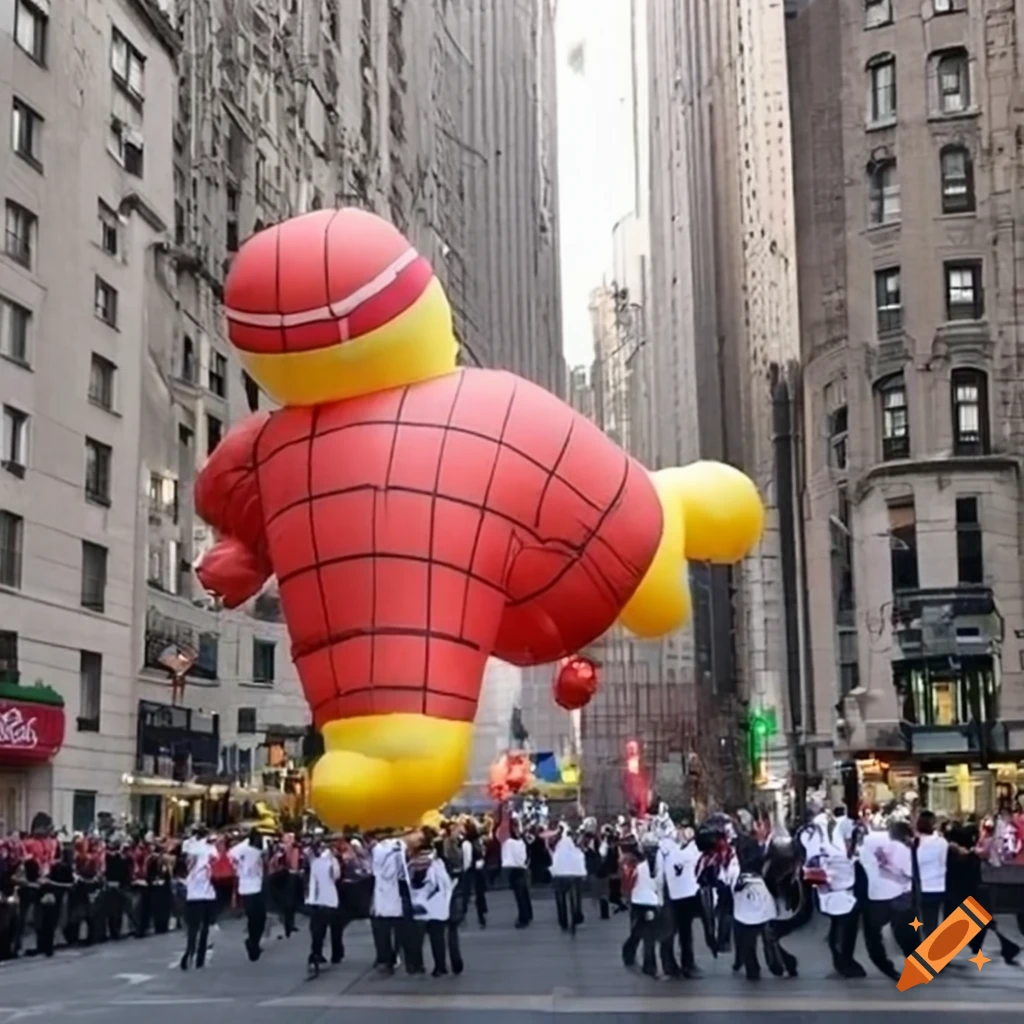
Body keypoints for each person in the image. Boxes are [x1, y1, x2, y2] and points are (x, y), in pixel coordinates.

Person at [621, 833, 662, 978]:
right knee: (641, 933)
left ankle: (646, 964)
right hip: (643, 901)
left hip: (645, 901)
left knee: (644, 934)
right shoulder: (637, 864)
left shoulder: (645, 865)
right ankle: (640, 960)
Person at [180, 827, 217, 971]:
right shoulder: (210, 848)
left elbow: (184, 860)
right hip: (208, 893)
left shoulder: (188, 846)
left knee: (193, 927)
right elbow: (216, 863)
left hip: (192, 893)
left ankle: (189, 951)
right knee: (205, 927)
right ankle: (200, 958)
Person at [305, 832, 340, 977]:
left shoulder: (330, 860)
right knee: (318, 929)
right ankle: (316, 953)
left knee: (325, 928)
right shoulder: (314, 860)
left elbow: (336, 876)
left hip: (327, 899)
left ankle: (326, 953)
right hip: (318, 900)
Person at [230, 829, 267, 961]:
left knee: (257, 918)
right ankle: (253, 943)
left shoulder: (254, 847)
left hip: (252, 886)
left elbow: (231, 855)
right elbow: (231, 856)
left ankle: (253, 942)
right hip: (250, 887)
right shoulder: (247, 849)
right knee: (256, 918)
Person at [550, 824, 585, 935]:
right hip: (574, 875)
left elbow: (552, 857)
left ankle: (563, 921)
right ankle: (576, 914)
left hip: (559, 875)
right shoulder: (575, 847)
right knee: (575, 897)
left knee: (560, 899)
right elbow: (580, 859)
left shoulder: (558, 845)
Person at [502, 819, 532, 929]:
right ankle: (527, 914)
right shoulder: (522, 839)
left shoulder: (510, 842)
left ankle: (523, 917)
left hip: (516, 869)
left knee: (520, 895)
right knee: (524, 893)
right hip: (522, 868)